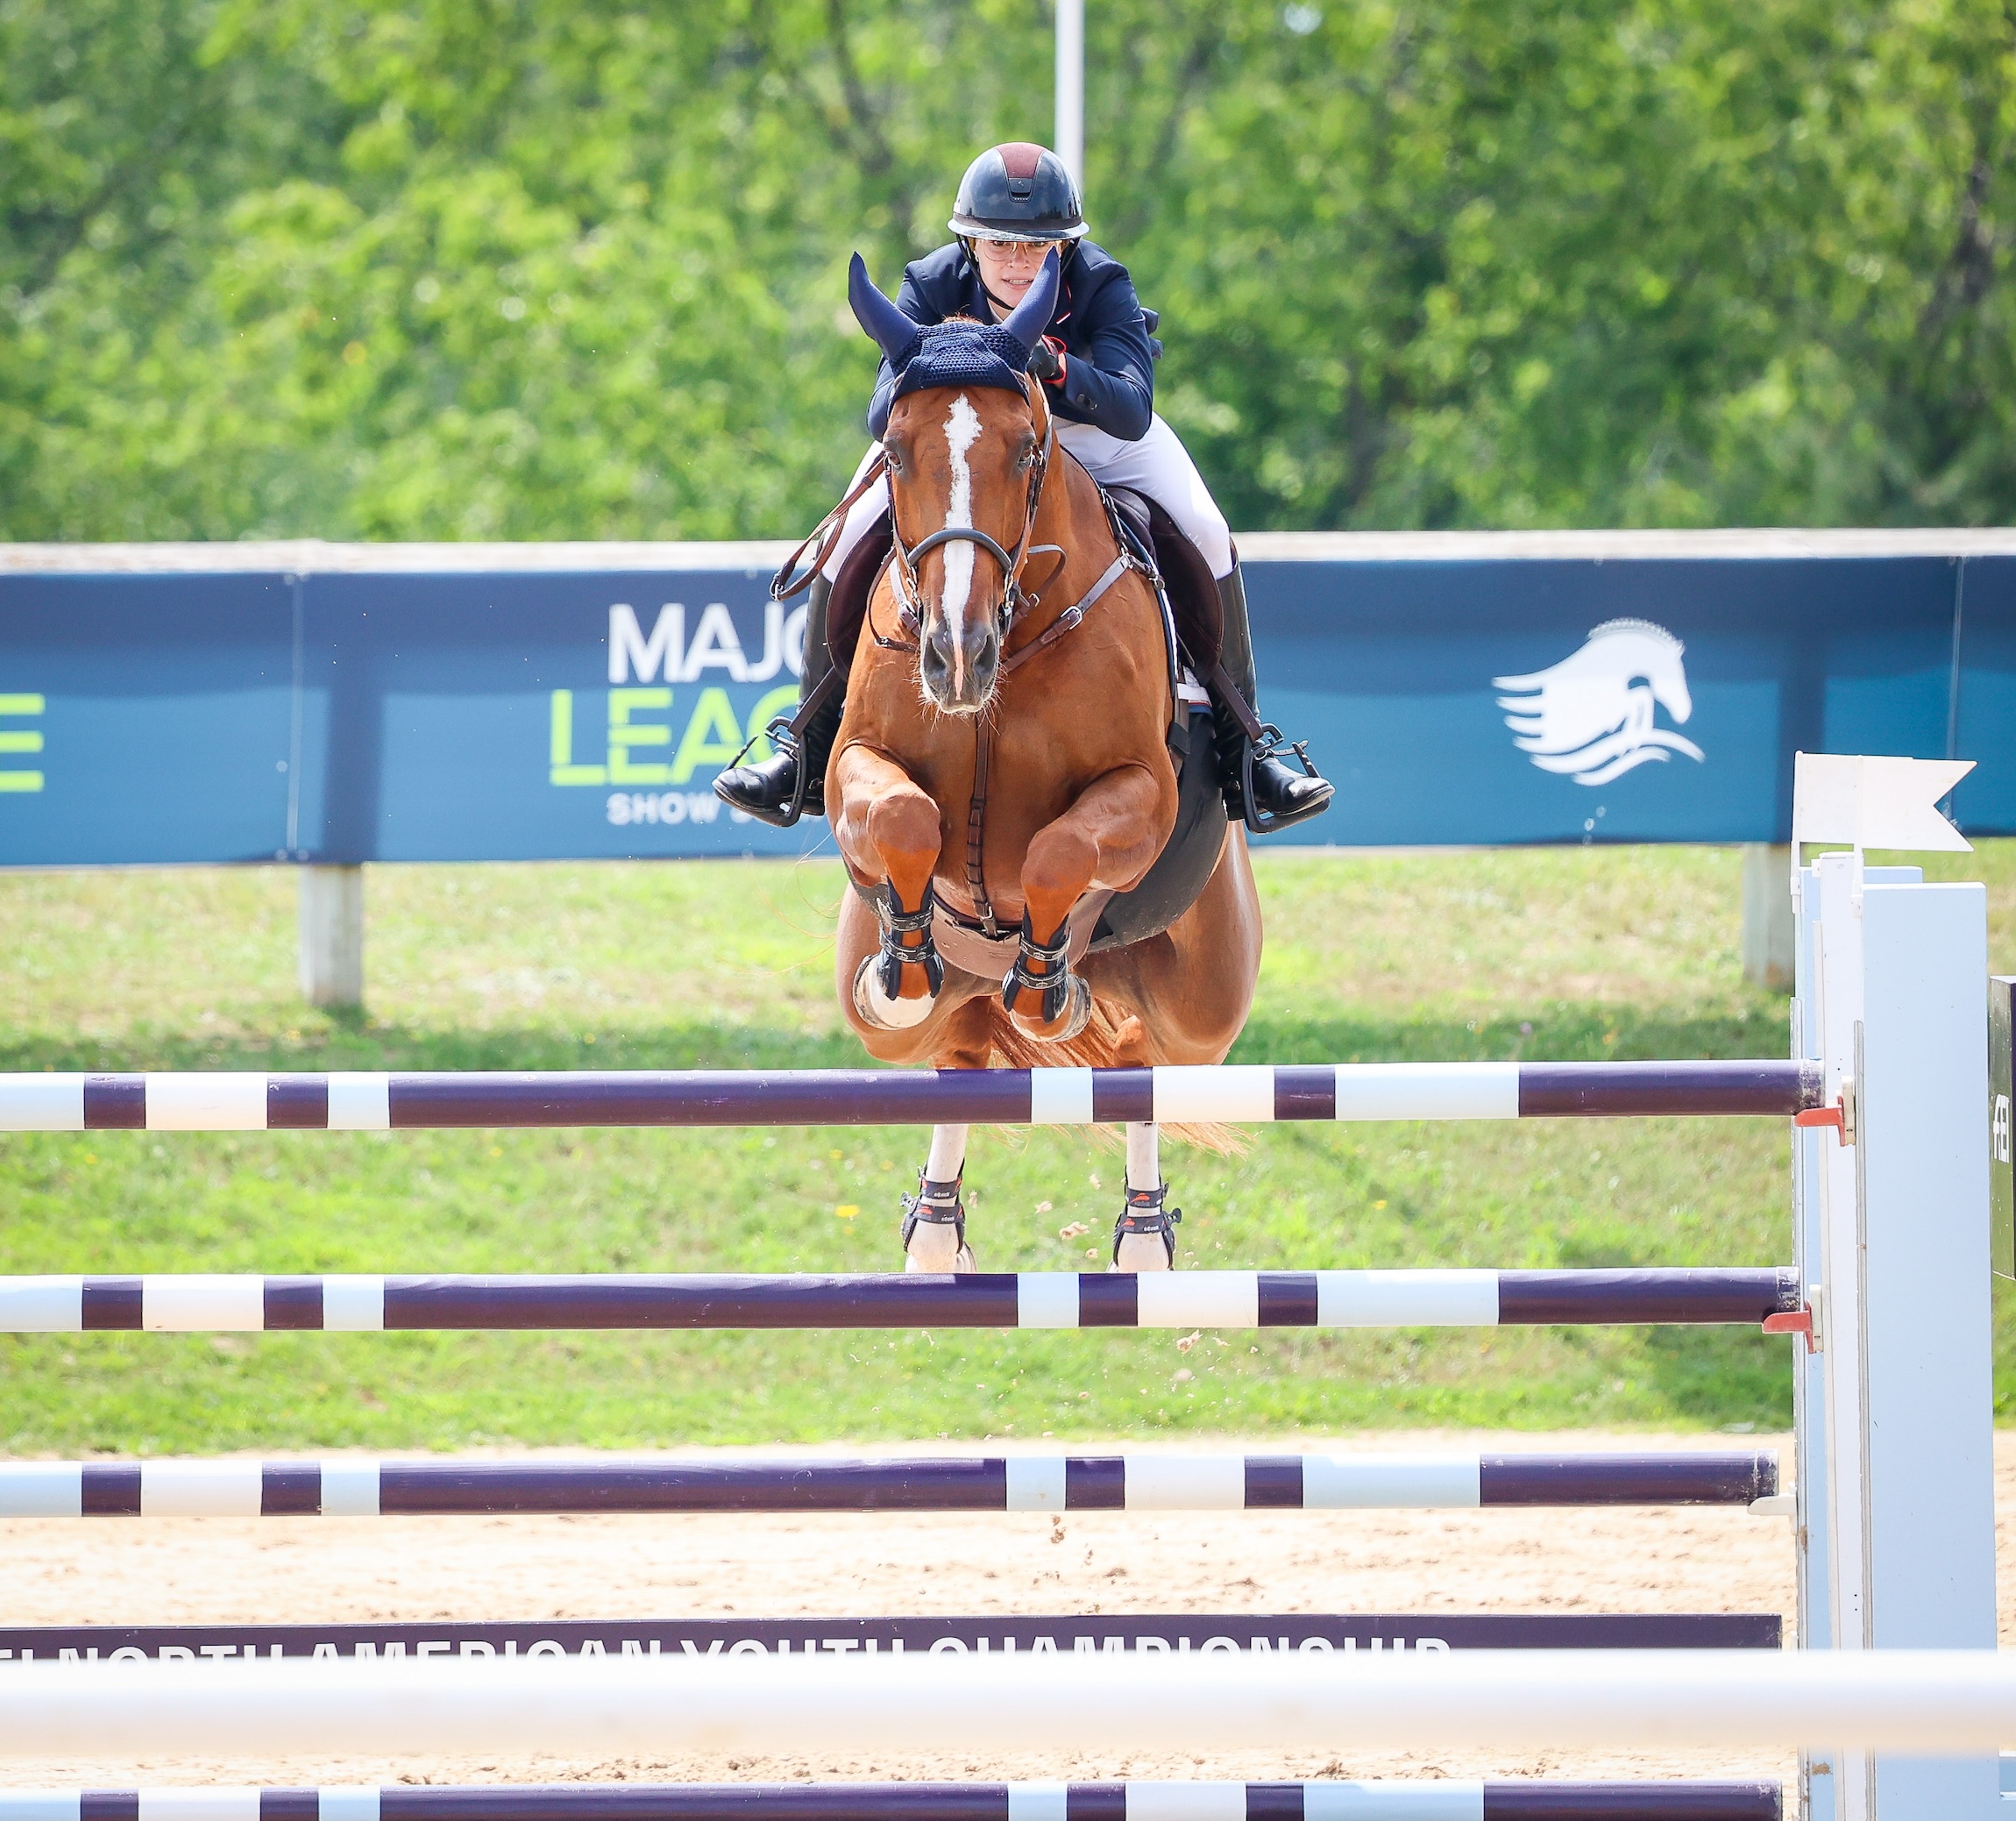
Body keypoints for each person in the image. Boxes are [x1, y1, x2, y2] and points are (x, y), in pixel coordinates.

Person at [716, 141, 1332, 833]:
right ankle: (803, 744)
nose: (1014, 261)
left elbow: (1132, 409)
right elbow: (878, 411)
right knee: (846, 535)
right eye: (997, 245)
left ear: (1064, 249)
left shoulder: (1103, 285)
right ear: (969, 243)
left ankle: (1247, 749)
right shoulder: (930, 282)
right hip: (968, 445)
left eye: (1035, 247)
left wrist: (1056, 368)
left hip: (1091, 435)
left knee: (1205, 525)